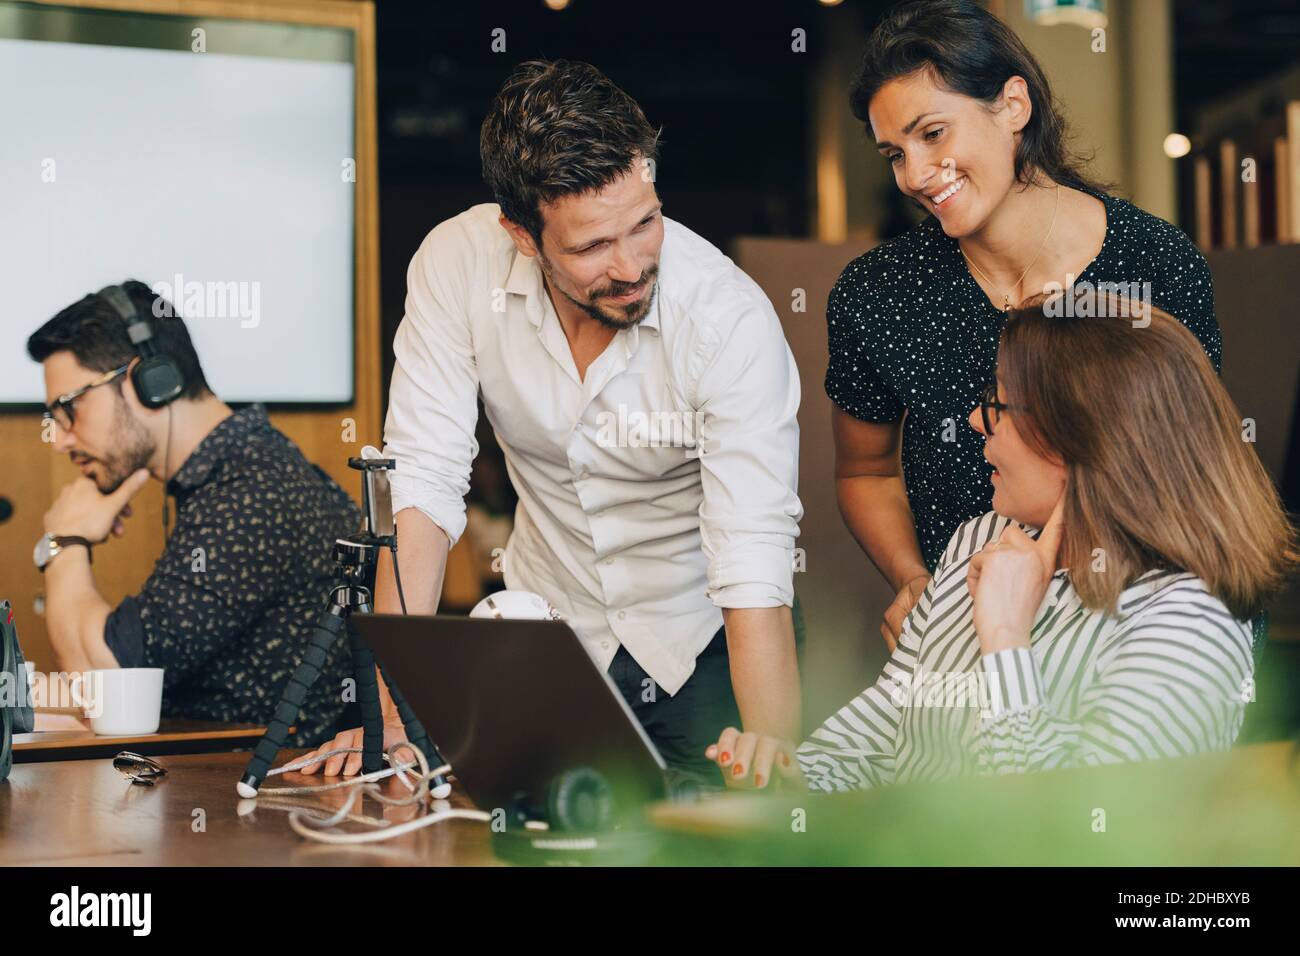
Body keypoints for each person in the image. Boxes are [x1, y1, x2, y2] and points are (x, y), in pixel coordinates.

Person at [299, 60, 803, 783]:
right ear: (522, 236)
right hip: (550, 637)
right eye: (593, 246)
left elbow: (752, 549)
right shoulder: (457, 266)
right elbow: (425, 486)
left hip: (709, 641)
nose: (631, 266)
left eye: (645, 223)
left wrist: (772, 759)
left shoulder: (727, 319)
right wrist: (389, 720)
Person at [706, 292, 1296, 792]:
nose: (975, 422)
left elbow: (1081, 831)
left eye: (998, 405)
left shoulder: (1187, 620)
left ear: (1079, 439)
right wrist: (790, 777)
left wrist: (1007, 640)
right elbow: (880, 734)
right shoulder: (980, 537)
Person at [827, 0, 1222, 650]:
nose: (917, 175)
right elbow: (863, 472)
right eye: (894, 153)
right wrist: (915, 580)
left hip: (1136, 631)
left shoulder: (1155, 264)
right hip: (966, 632)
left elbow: (1196, 471)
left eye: (933, 134)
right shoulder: (879, 294)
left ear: (1014, 105)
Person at [28, 280, 359, 745]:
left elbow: (106, 686)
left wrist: (65, 541)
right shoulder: (239, 473)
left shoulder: (252, 493)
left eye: (69, 409)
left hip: (248, 797)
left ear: (146, 381)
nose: (60, 439)